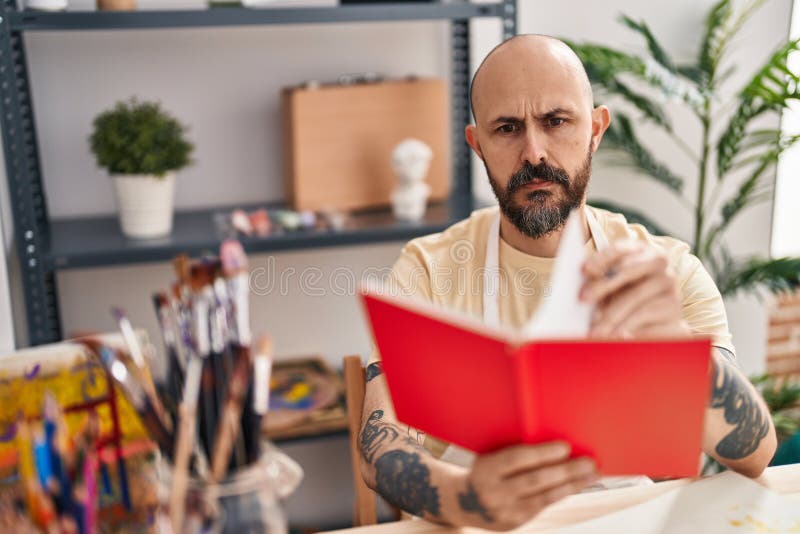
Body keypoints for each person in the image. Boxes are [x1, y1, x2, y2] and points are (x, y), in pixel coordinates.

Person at [358, 34, 777, 531]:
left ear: (596, 129)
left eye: (556, 121)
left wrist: (674, 341)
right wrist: (469, 498)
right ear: (478, 145)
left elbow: (754, 455)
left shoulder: (667, 270)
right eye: (507, 128)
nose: (534, 152)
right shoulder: (430, 269)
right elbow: (380, 445)